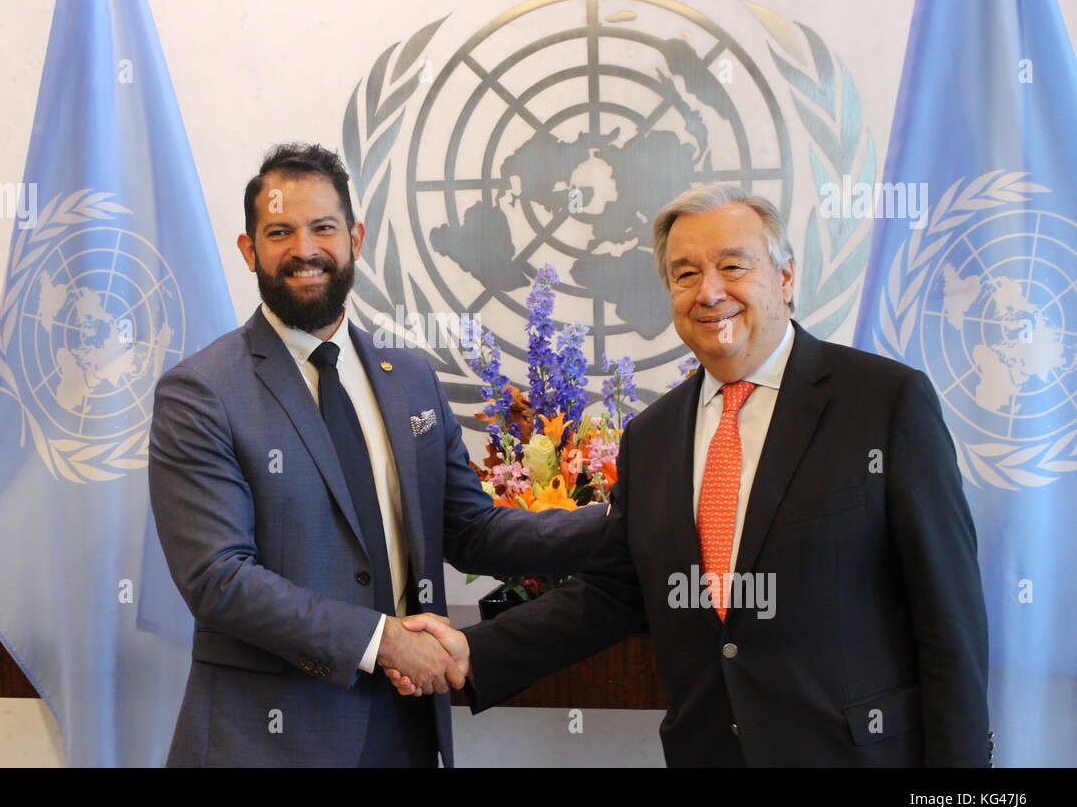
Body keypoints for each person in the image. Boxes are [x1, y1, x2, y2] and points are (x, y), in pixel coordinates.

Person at [389, 184, 991, 767]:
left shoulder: (884, 402)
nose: (709, 292)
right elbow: (611, 593)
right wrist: (470, 652)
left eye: (732, 266)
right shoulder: (652, 437)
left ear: (785, 278)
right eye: (685, 274)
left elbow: (948, 618)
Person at [148, 142, 604, 767]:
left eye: (323, 228)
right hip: (268, 741)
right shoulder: (202, 392)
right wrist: (383, 642)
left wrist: (623, 523)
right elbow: (218, 579)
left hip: (406, 728)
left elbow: (470, 531)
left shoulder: (410, 379)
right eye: (279, 232)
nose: (304, 249)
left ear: (355, 239)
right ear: (249, 251)